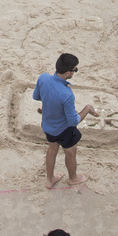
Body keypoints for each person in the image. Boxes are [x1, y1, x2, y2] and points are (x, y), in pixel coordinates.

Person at [33, 53, 97, 188]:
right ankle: (73, 178)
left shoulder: (43, 78)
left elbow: (36, 96)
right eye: (75, 70)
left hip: (48, 126)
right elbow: (73, 121)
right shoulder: (67, 94)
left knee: (52, 150)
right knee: (70, 152)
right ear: (68, 73)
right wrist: (87, 109)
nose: (75, 72)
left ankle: (49, 179)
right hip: (64, 130)